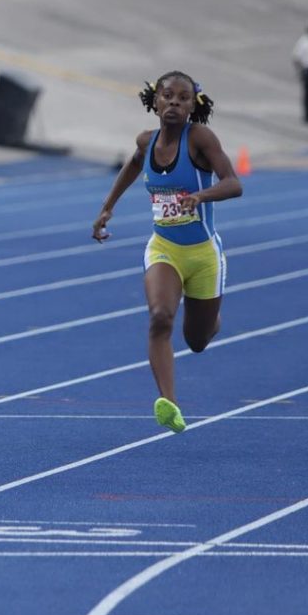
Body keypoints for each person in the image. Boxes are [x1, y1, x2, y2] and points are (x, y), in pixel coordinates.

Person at [91, 71, 243, 433]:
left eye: (183, 98)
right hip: (164, 249)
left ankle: (211, 318)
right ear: (154, 102)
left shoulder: (200, 140)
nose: (174, 102)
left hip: (204, 254)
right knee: (160, 316)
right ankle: (169, 403)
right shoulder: (146, 143)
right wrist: (107, 207)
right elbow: (132, 166)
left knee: (197, 340)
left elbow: (233, 183)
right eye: (168, 96)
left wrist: (200, 196)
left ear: (194, 106)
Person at [292, 23, 308, 123]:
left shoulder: (303, 42)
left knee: (307, 94)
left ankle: (307, 114)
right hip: (306, 70)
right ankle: (307, 114)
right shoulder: (303, 42)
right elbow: (296, 57)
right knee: (307, 94)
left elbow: (296, 58)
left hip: (306, 70)